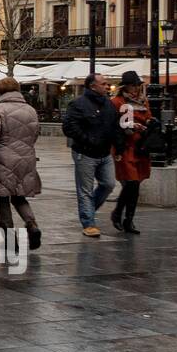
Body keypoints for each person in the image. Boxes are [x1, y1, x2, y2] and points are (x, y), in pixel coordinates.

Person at [0, 77, 42, 250]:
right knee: (19, 196)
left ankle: (9, 238)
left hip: (4, 159)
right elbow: (35, 134)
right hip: (26, 158)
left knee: (2, 198)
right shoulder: (30, 110)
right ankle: (32, 225)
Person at [62, 72, 122, 238]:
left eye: (106, 83)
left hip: (105, 152)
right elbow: (69, 128)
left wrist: (119, 147)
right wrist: (88, 140)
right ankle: (88, 223)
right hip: (85, 152)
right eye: (103, 84)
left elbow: (114, 127)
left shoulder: (108, 104)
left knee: (109, 184)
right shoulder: (78, 104)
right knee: (85, 190)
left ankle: (88, 209)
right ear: (92, 86)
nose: (107, 86)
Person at [110, 71, 153, 235]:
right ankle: (119, 215)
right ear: (125, 86)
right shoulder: (116, 102)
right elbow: (113, 123)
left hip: (141, 147)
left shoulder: (143, 101)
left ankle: (127, 219)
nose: (136, 88)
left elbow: (148, 117)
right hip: (124, 147)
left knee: (135, 185)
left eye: (138, 85)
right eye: (133, 85)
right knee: (131, 182)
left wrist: (148, 123)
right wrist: (129, 126)